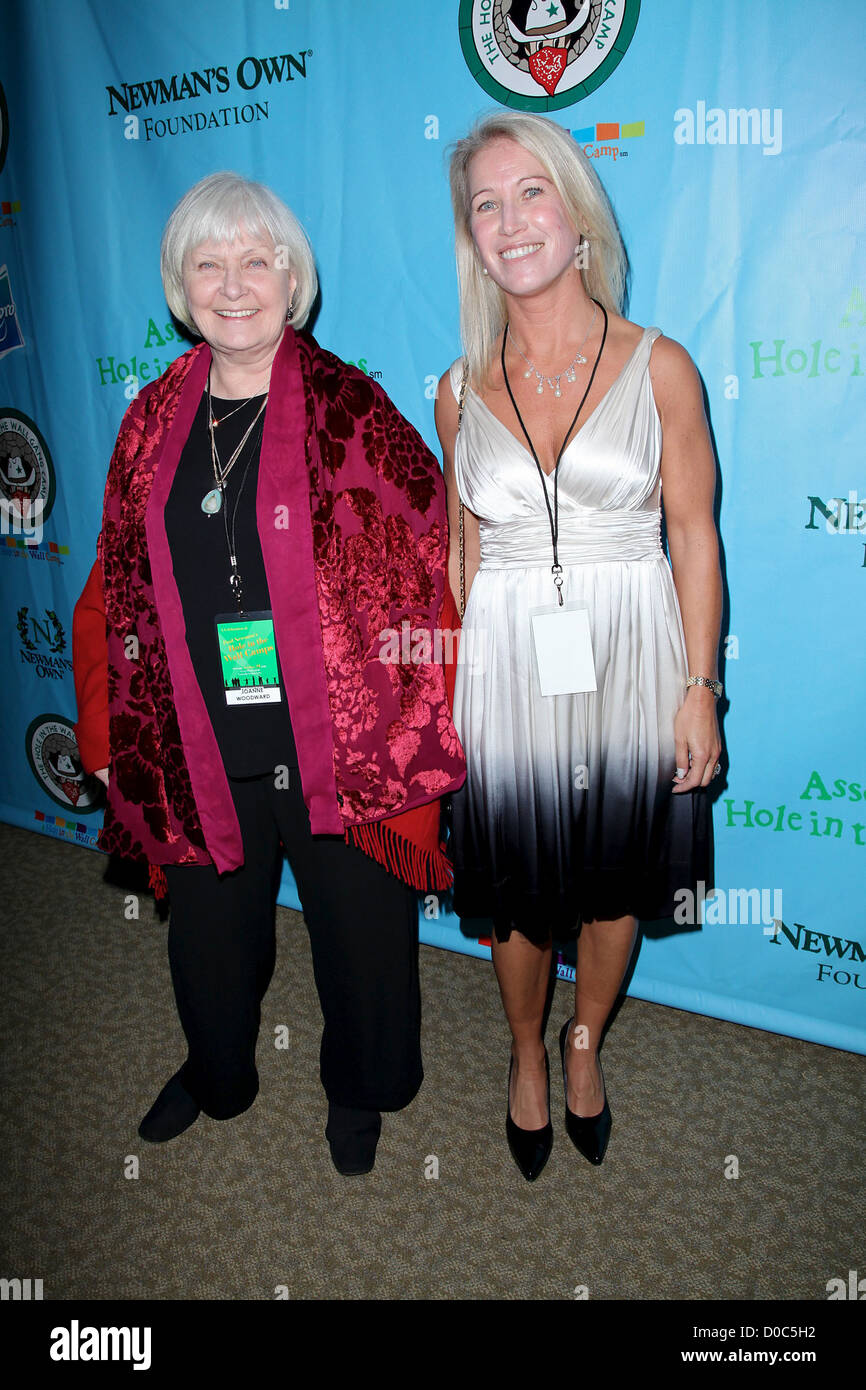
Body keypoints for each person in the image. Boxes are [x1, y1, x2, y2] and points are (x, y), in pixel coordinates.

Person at [73, 171, 465, 1176]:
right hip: (195, 736)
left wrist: (430, 711)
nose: (233, 283)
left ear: (292, 279)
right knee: (206, 943)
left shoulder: (353, 409)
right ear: (179, 287)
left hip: (339, 743)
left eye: (256, 259)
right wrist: (107, 729)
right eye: (209, 263)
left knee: (362, 945)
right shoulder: (152, 421)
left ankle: (361, 1089)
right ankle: (216, 1074)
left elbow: (433, 566)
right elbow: (110, 586)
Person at [436, 112, 722, 1179]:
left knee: (610, 881)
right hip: (505, 668)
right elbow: (466, 546)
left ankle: (583, 1039)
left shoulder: (659, 367)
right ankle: (523, 1049)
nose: (509, 221)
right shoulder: (458, 388)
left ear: (575, 214)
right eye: (484, 204)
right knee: (515, 889)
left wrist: (699, 687)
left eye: (530, 192)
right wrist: (450, 690)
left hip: (632, 660)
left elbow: (692, 532)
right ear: (470, 237)